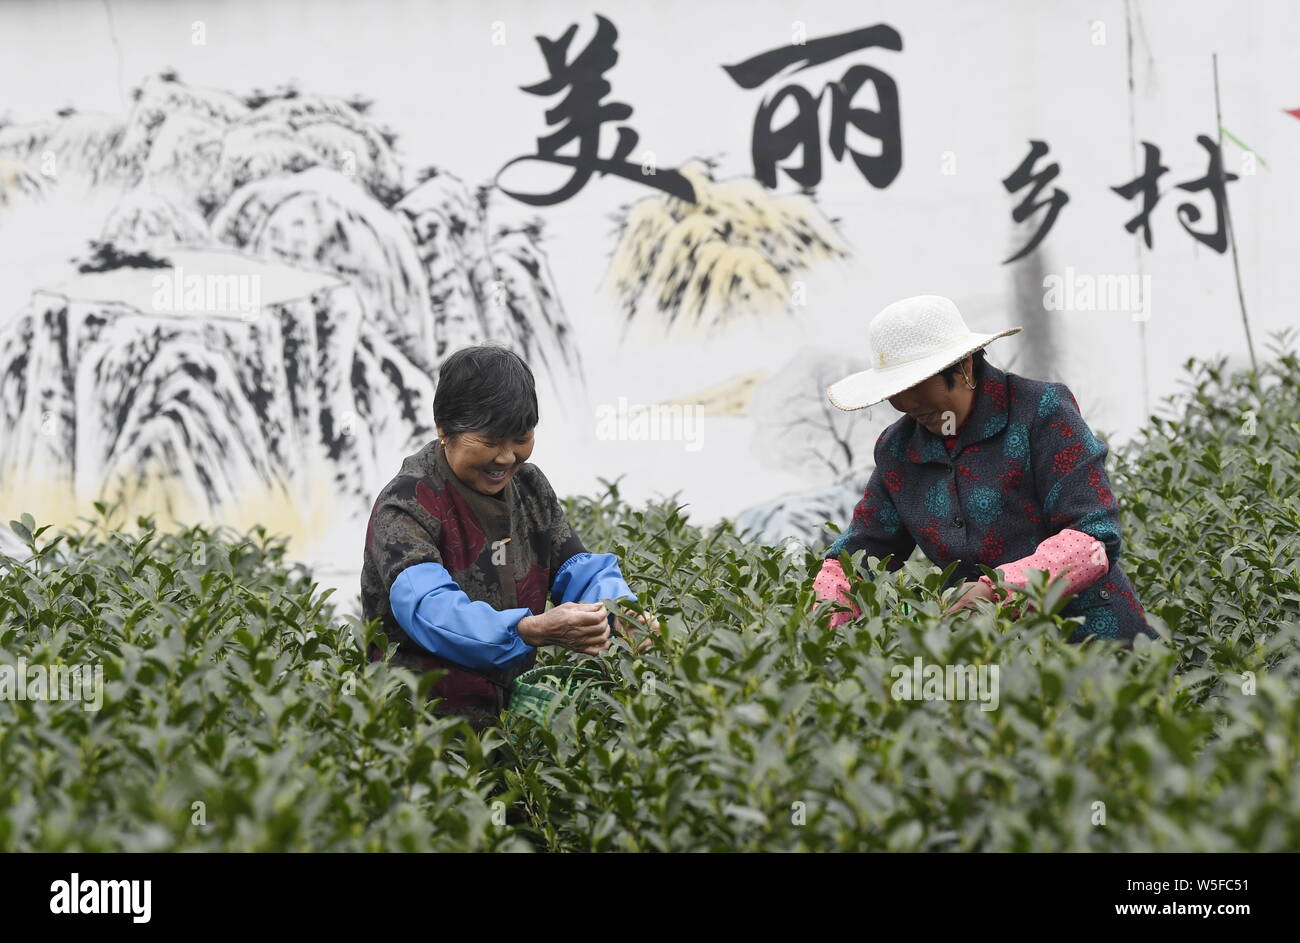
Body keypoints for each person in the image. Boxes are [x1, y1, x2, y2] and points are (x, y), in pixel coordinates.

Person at [812, 294, 1157, 644]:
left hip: (1089, 638)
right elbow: (862, 551)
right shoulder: (899, 449)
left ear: (963, 368)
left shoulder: (1041, 412)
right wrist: (819, 619)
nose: (907, 403)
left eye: (916, 384)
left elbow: (1094, 535)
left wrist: (999, 591)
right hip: (989, 652)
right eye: (895, 390)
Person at [360, 345, 656, 728]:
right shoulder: (407, 503)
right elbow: (429, 610)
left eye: (520, 437)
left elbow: (576, 567)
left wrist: (620, 612)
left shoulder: (530, 487)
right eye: (489, 441)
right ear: (444, 430)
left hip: (509, 725)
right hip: (420, 728)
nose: (506, 457)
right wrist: (525, 630)